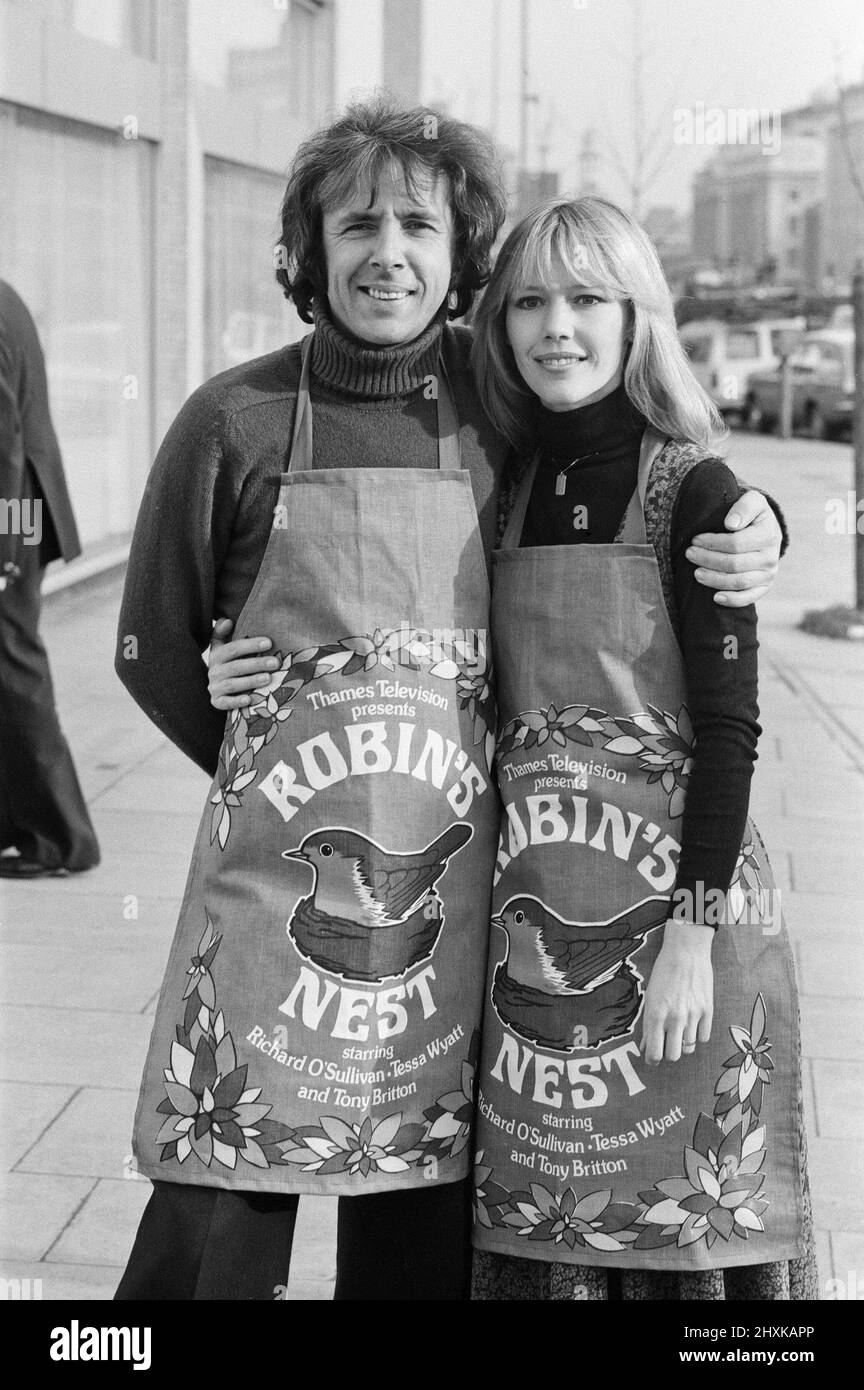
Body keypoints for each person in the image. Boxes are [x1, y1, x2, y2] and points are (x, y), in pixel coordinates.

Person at [115, 101, 783, 1302]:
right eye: (354, 221)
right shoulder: (232, 419)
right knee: (216, 1213)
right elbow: (151, 647)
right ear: (308, 248)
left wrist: (755, 525)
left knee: (418, 1231)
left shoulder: (498, 413)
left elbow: (633, 461)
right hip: (276, 902)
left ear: (460, 250)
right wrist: (259, 734)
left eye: (419, 223)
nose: (388, 251)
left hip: (451, 918)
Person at [464, 196, 816, 1300]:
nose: (554, 327)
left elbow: (731, 731)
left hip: (680, 929)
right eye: (529, 301)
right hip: (543, 936)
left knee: (685, 1237)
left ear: (635, 318)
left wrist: (691, 940)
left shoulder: (695, 489)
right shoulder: (506, 485)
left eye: (585, 299)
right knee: (554, 1223)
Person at [0, 280, 100, 878]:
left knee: (13, 665)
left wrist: (4, 550)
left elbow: (3, 444)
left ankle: (64, 839)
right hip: (20, 510)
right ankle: (20, 823)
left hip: (13, 515)